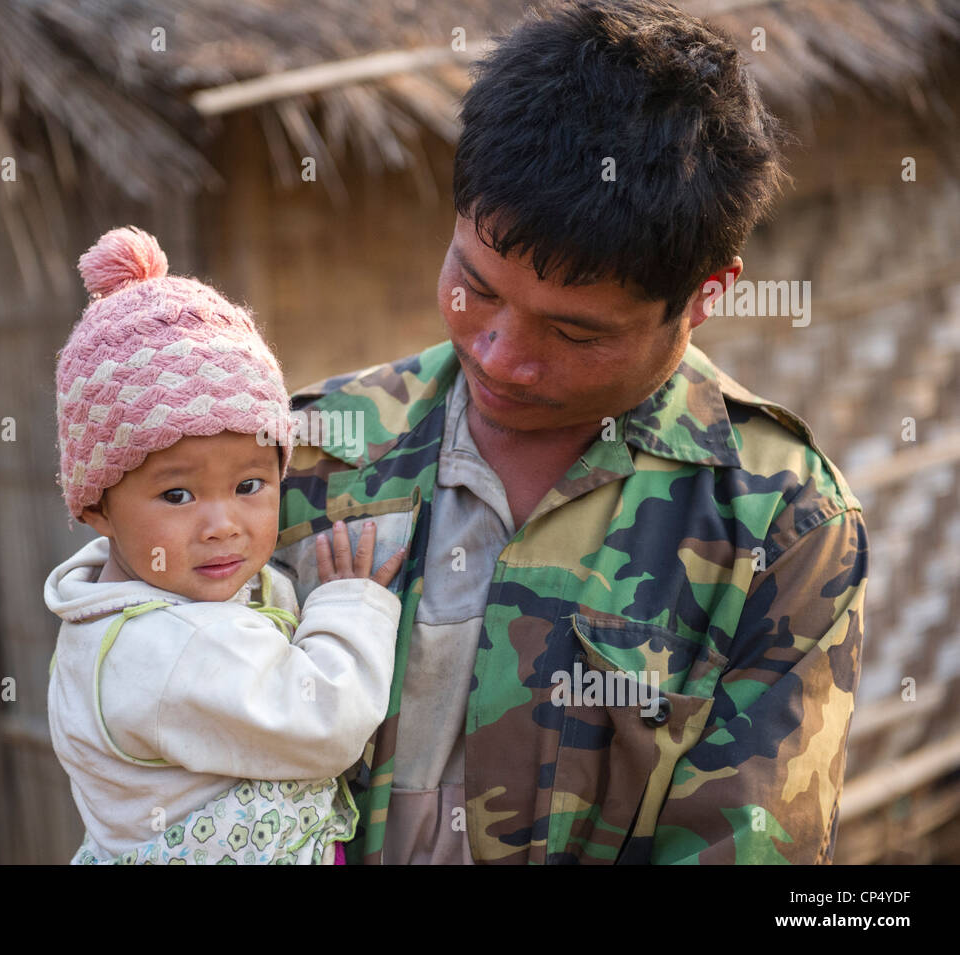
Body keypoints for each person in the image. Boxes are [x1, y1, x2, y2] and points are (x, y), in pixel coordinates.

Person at [270, 0, 868, 864]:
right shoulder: (304, 452)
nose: (502, 356)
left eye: (576, 333)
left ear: (707, 292)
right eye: (474, 285)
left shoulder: (781, 526)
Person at [45, 226, 406, 864]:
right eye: (178, 496)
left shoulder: (128, 600)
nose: (221, 524)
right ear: (97, 504)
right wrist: (350, 608)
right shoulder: (162, 650)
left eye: (248, 484)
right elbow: (325, 724)